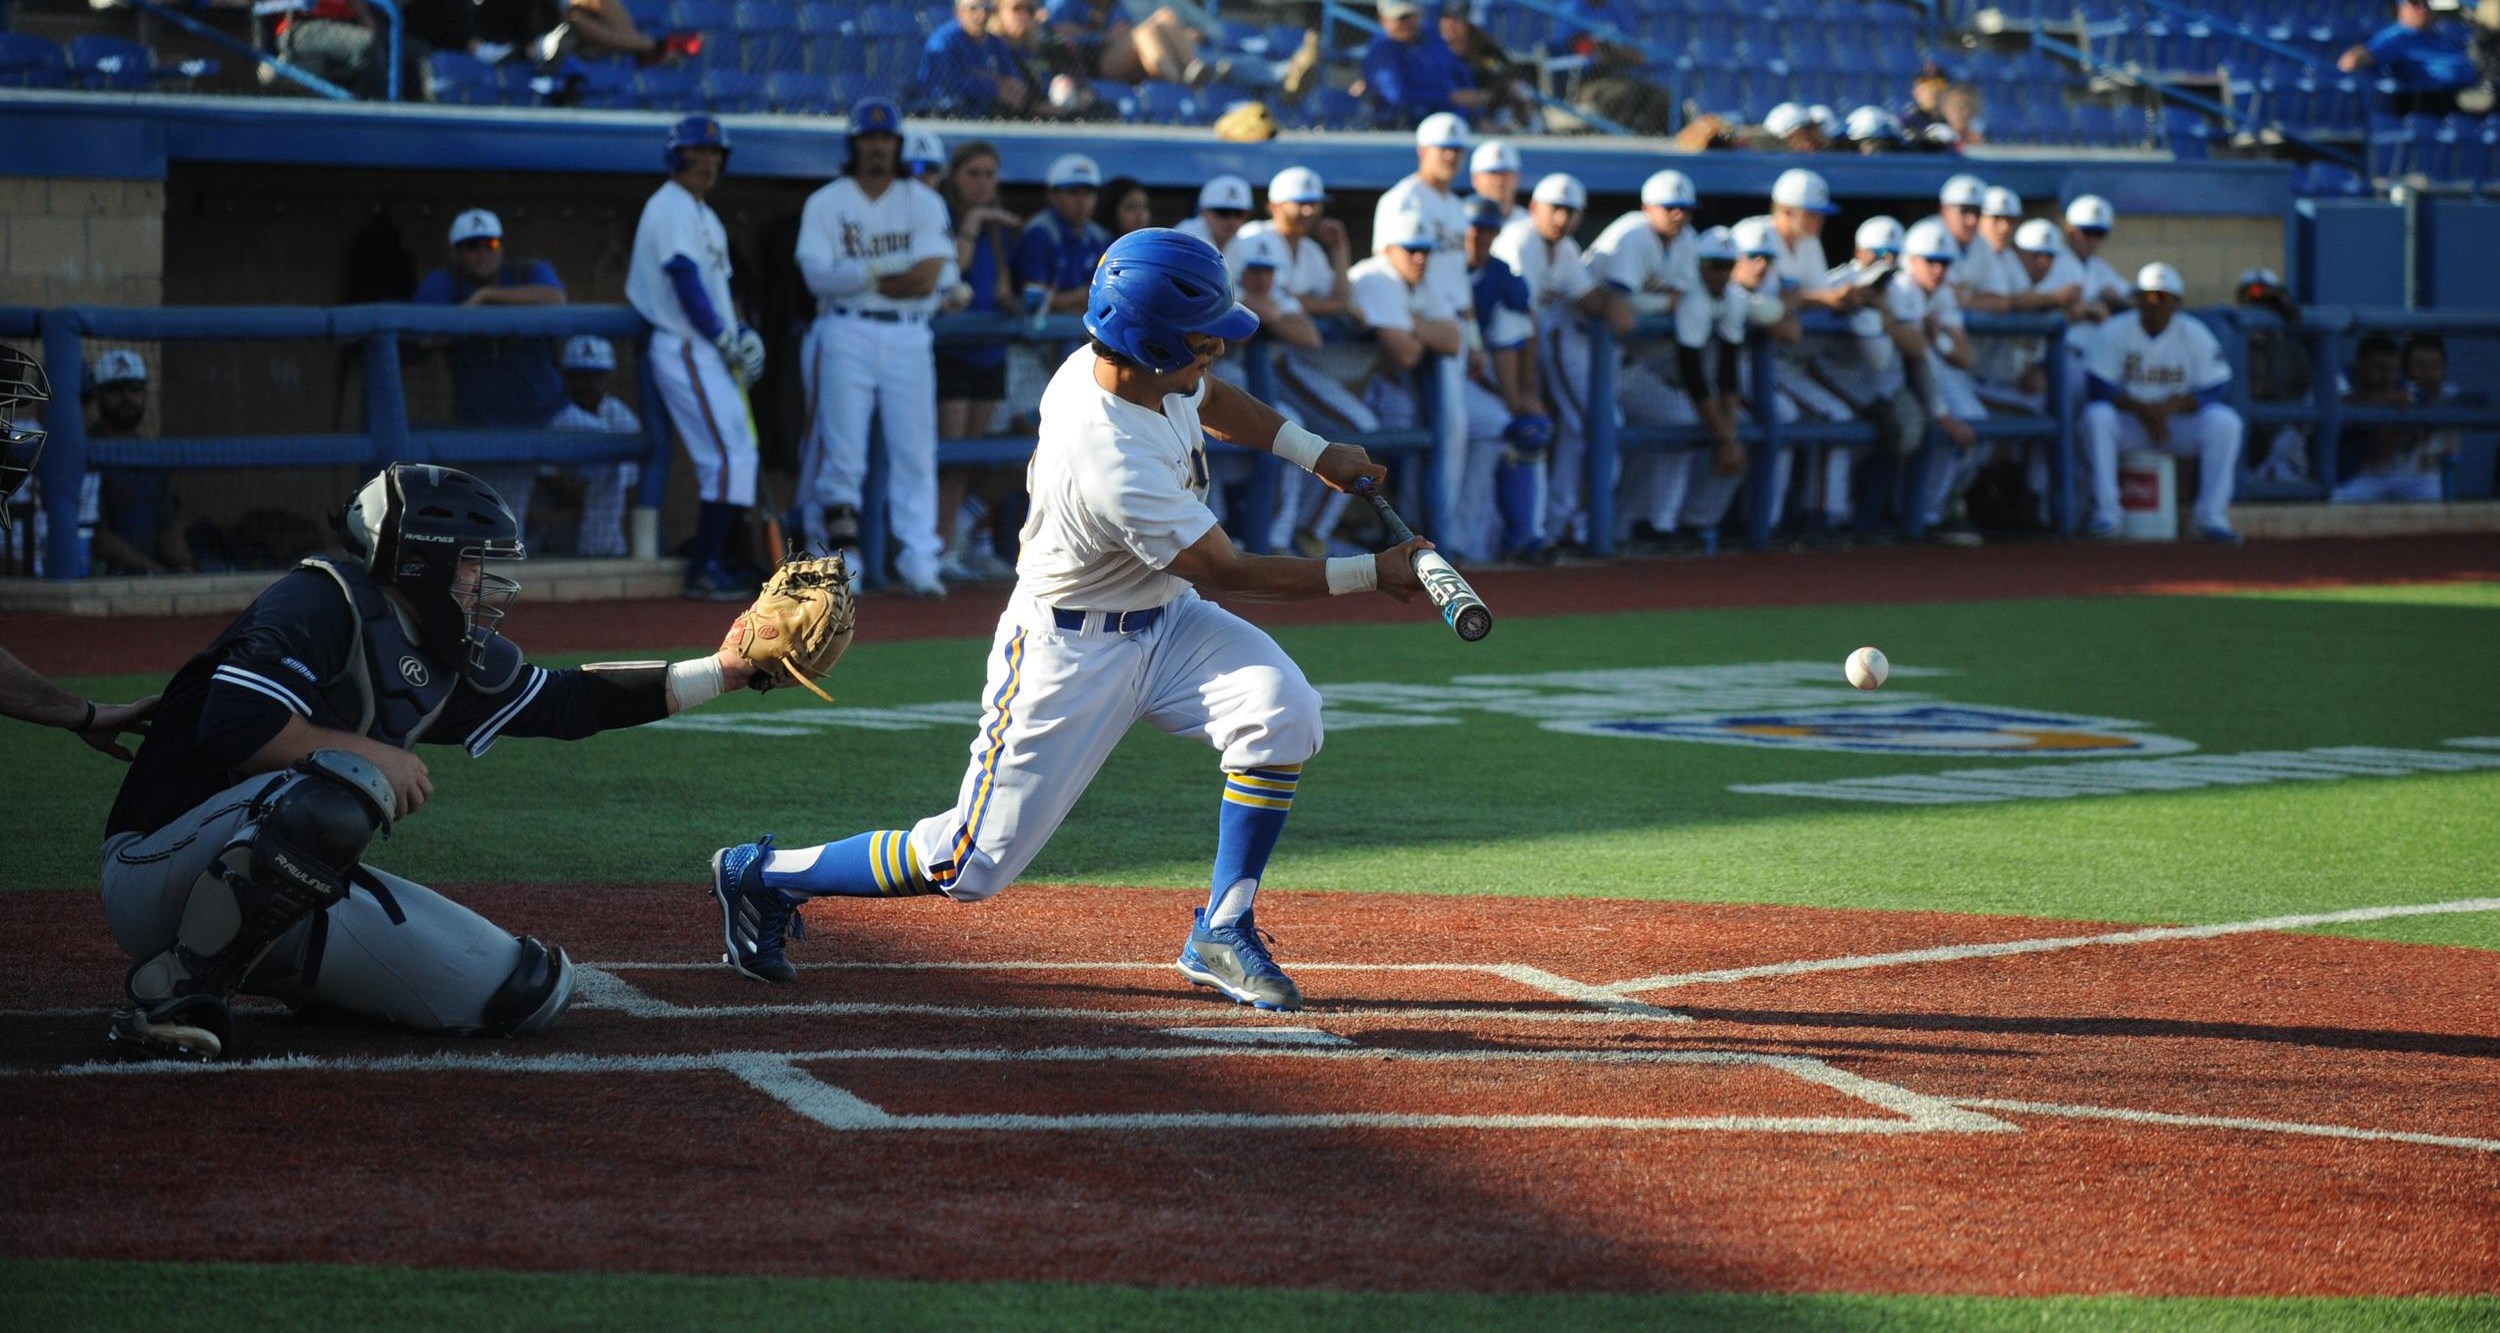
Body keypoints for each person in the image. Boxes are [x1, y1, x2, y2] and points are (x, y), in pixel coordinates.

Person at [704, 229, 1433, 1012]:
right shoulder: (1109, 451)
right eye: (1199, 340)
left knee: (1283, 712)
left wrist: (1315, 452)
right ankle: (762, 874)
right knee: (969, 863)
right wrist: (1371, 574)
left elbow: (1211, 400)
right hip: (1068, 648)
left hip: (1167, 621)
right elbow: (1226, 568)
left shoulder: (1144, 368)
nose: (1214, 352)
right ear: (1149, 342)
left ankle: (1222, 928)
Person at [99, 464, 762, 1063]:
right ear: (422, 562)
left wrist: (726, 671)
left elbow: (565, 702)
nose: (493, 584)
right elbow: (234, 723)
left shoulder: (432, 653)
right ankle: (170, 994)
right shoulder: (320, 599)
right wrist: (374, 752)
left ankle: (316, 982)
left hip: (277, 879)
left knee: (524, 991)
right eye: (477, 565)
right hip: (155, 865)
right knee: (340, 790)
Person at [791, 99, 954, 600]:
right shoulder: (827, 201)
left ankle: (919, 559)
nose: (878, 146)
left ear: (898, 145)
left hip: (908, 332)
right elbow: (816, 275)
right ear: (855, 144)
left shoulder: (922, 200)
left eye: (886, 139)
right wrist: (885, 273)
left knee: (915, 449)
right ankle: (840, 557)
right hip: (844, 330)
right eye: (869, 138)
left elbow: (928, 280)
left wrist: (859, 278)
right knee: (842, 450)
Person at [626, 115, 767, 602]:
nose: (706, 161)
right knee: (725, 459)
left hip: (709, 348)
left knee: (740, 456)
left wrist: (743, 332)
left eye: (714, 154)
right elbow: (684, 278)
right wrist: (722, 338)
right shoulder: (667, 205)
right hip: (684, 344)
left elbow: (721, 289)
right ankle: (703, 568)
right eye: (697, 152)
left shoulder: (706, 214)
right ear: (676, 156)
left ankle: (725, 559)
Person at [1238, 167, 1376, 557]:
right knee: (1293, 441)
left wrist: (1340, 250)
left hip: (1288, 361)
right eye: (1300, 203)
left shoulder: (1313, 250)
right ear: (1275, 205)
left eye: (1314, 203)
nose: (1309, 211)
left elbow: (1341, 302)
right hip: (1254, 363)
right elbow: (1291, 319)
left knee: (1355, 430)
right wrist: (1316, 306)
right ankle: (1284, 538)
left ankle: (1308, 530)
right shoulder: (1256, 240)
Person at [412, 208, 568, 532]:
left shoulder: (527, 272)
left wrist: (487, 297)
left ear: (501, 247)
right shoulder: (445, 283)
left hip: (552, 412)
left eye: (490, 244)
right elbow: (424, 336)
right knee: (505, 526)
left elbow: (556, 298)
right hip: (493, 423)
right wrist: (467, 312)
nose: (483, 253)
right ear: (457, 253)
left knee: (618, 447)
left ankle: (607, 547)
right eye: (472, 246)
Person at [2079, 263, 2245, 543]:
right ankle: (2106, 515)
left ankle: (2211, 518)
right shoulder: (2116, 330)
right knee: (2096, 416)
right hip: (2130, 423)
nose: (2154, 304)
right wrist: (2144, 410)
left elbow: (2216, 387)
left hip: (2175, 425)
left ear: (2177, 303)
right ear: (2137, 299)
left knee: (2225, 422)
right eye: (2148, 296)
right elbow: (2098, 386)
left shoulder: (2194, 333)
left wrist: (2170, 408)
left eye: (2163, 297)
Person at [1583, 168, 1701, 550]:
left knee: (1679, 419)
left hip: (1626, 362)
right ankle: (1576, 530)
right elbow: (1620, 308)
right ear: (1647, 207)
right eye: (1669, 207)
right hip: (1580, 348)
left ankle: (1653, 522)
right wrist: (1663, 302)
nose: (1678, 215)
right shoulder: (1632, 234)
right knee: (1593, 433)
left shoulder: (1686, 240)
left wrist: (1655, 304)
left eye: (1684, 208)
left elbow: (1679, 301)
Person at [936, 140, 1026, 581]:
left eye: (990, 174)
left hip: (990, 349)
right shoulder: (945, 218)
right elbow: (954, 267)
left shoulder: (997, 228)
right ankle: (939, 547)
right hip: (951, 350)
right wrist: (974, 219)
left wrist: (1023, 304)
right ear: (954, 177)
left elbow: (1002, 289)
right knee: (950, 453)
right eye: (973, 173)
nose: (982, 182)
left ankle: (959, 540)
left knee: (975, 456)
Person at [1890, 220, 1991, 542]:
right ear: (1910, 260)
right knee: (1935, 433)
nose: (1937, 269)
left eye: (1944, 262)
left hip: (1923, 374)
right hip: (1881, 375)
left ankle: (1944, 506)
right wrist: (1943, 415)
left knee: (1979, 430)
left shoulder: (1943, 294)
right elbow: (1915, 356)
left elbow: (1964, 357)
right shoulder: (1900, 288)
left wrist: (1939, 340)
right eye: (1929, 261)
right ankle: (1921, 514)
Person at [1460, 196, 1548, 562]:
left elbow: (1524, 329)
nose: (1482, 236)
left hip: (1478, 381)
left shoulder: (1500, 273)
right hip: (1434, 374)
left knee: (1528, 427)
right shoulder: (1441, 267)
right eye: (1476, 227)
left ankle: (1527, 536)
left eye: (1490, 229)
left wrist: (1522, 391)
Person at [83, 350, 196, 576]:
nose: (126, 398)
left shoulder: (151, 453)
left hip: (150, 572)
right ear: (99, 395)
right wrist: (155, 572)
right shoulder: (87, 449)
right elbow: (97, 537)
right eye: (116, 390)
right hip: (101, 574)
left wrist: (187, 571)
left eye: (134, 389)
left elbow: (168, 528)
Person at [545, 334, 639, 558]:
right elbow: (550, 484)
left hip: (607, 528)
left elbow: (632, 490)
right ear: (566, 377)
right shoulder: (554, 418)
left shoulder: (623, 417)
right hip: (559, 525)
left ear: (610, 377)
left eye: (597, 376)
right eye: (581, 376)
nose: (589, 384)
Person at [2340, 0, 2478, 116]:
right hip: (2430, 104)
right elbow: (2353, 60)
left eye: (2426, 3)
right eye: (2415, 3)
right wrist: (2355, 59)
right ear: (2402, 8)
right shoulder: (2397, 37)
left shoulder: (2442, 35)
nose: (2422, 8)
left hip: (2465, 95)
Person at [1358, 0, 1486, 125]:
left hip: (1455, 120)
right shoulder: (1383, 48)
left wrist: (1480, 115)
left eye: (1411, 17)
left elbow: (1459, 72)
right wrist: (1449, 97)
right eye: (1400, 19)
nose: (1407, 24)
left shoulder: (1430, 36)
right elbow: (1397, 97)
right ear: (1384, 21)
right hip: (1406, 125)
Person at [1016, 154, 1112, 317]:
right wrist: (1082, 295)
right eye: (1073, 192)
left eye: (1088, 193)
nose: (1082, 201)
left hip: (1083, 332)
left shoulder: (1099, 237)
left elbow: (1108, 297)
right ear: (1052, 195)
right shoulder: (1039, 233)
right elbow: (1036, 302)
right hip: (1041, 336)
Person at [910, 0, 1029, 117]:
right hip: (946, 114)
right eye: (973, 8)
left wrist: (1008, 86)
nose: (981, 15)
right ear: (959, 12)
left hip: (988, 114)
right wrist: (993, 87)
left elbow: (1012, 80)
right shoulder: (943, 42)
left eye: (986, 8)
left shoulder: (995, 43)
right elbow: (944, 85)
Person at [1175, 175, 1254, 252]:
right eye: (1223, 212)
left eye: (1239, 213)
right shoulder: (1185, 237)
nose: (1231, 220)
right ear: (1203, 212)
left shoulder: (1245, 241)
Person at [1469, 140, 1525, 227]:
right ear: (1475, 179)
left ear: (1517, 178)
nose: (1499, 179)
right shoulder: (1461, 218)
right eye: (1492, 173)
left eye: (1505, 173)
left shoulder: (1530, 224)